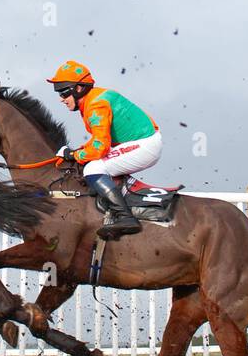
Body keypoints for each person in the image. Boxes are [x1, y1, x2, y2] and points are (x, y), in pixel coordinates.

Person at [47, 60, 162, 240]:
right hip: (142, 141)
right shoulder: (95, 98)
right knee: (92, 164)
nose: (61, 98)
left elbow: (99, 148)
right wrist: (78, 152)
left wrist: (73, 154)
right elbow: (99, 142)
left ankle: (126, 218)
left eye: (63, 92)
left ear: (79, 89)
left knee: (93, 168)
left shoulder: (95, 105)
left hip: (145, 145)